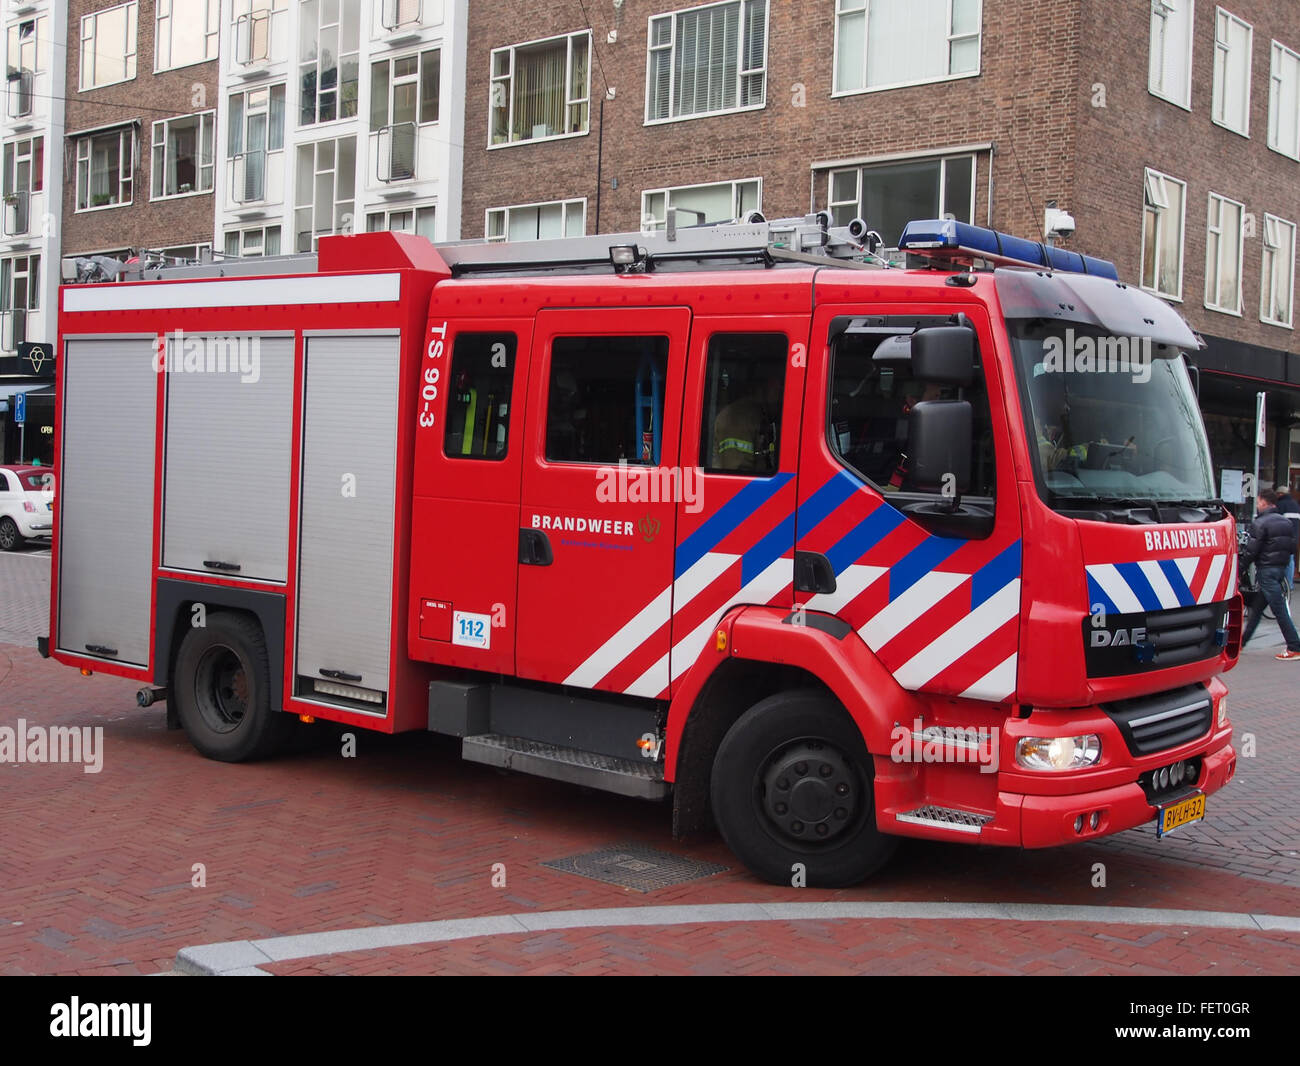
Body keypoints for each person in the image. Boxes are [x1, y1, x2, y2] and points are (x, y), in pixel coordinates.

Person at [1241, 490, 1300, 660]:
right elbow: (1291, 547)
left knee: (1279, 610)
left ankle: (1294, 646)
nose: (1258, 506)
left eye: (1258, 502)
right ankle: (1242, 643)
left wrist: (1240, 569)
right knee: (1257, 609)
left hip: (1266, 571)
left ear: (1265, 503)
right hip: (1280, 569)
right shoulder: (1286, 522)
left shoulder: (1260, 523)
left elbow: (1251, 551)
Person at [1274, 485, 1300, 581]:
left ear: (1280, 494)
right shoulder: (1295, 505)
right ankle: (1289, 584)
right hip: (1294, 537)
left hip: (1282, 536)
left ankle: (1280, 583)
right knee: (1290, 560)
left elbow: (1275, 521)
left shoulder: (1280, 504)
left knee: (1278, 560)